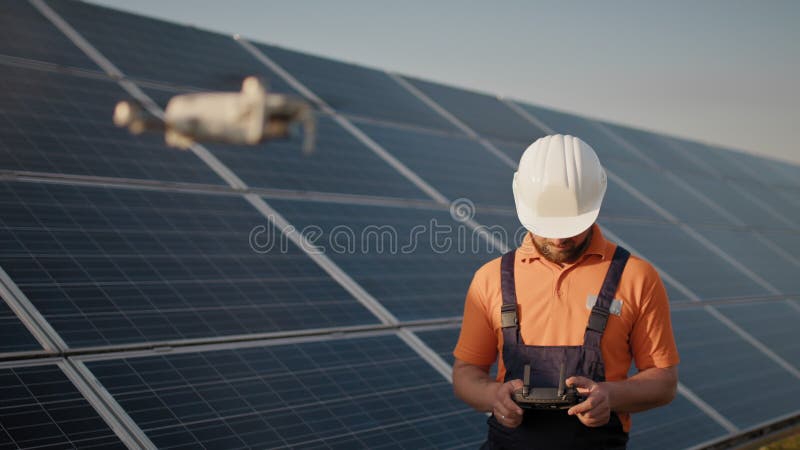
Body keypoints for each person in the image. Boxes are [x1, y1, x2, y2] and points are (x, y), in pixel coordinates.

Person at [453, 134, 679, 449]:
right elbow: (466, 373)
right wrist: (493, 396)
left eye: (572, 225)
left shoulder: (636, 277)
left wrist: (609, 397)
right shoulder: (490, 279)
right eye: (548, 225)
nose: (560, 239)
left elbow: (664, 382)